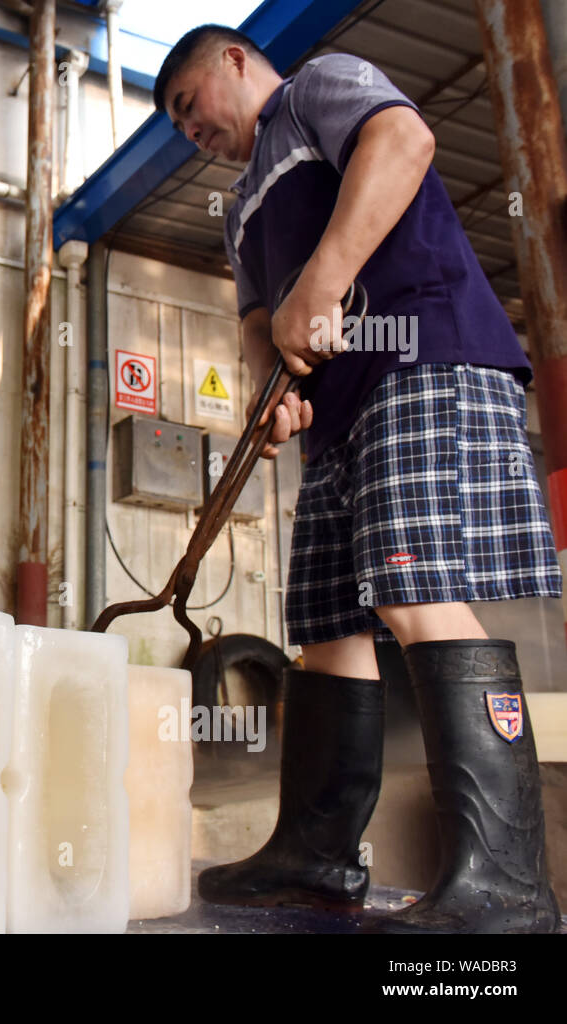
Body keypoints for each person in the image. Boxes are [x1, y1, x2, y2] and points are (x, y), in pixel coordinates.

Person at [153, 24, 562, 933]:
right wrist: (274, 401)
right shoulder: (240, 206)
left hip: (425, 360)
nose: (191, 129)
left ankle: (505, 886)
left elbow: (403, 141)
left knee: (416, 592)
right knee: (329, 627)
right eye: (179, 126)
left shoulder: (318, 90)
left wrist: (325, 281)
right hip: (335, 412)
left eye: (191, 105)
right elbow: (262, 320)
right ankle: (316, 854)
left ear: (233, 61)